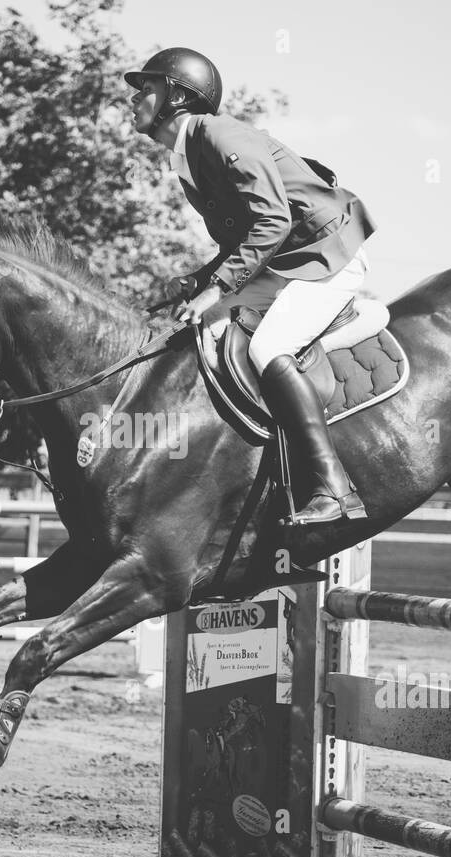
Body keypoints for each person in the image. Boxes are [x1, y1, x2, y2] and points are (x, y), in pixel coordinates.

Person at [125, 48, 377, 525]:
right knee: (208, 331)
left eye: (146, 88)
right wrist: (198, 281)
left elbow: (272, 221)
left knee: (268, 347)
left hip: (328, 255)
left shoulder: (220, 135)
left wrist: (216, 286)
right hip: (289, 261)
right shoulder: (187, 159)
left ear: (177, 96)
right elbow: (243, 239)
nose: (135, 97)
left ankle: (336, 491)